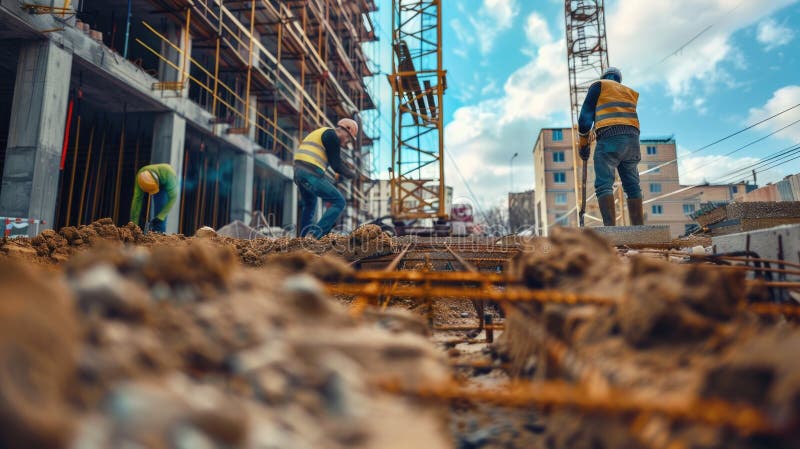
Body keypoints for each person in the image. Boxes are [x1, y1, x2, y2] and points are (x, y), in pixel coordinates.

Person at [577, 66, 644, 226]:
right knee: (632, 185)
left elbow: (584, 121)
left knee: (604, 184)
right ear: (619, 80)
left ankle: (611, 230)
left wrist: (584, 144)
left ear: (604, 77)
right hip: (633, 140)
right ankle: (640, 231)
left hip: (609, 137)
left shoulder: (599, 86)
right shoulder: (629, 92)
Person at [293, 118, 357, 238]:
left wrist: (341, 175)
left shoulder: (323, 133)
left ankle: (302, 239)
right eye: (348, 138)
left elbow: (331, 161)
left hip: (299, 172)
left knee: (310, 204)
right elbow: (336, 165)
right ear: (345, 130)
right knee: (339, 201)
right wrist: (352, 175)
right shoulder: (332, 135)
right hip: (310, 172)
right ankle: (314, 235)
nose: (347, 141)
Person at [129, 163, 179, 233]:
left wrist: (160, 217)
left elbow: (173, 198)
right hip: (156, 179)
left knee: (160, 211)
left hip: (165, 181)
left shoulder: (169, 175)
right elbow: (137, 201)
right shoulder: (139, 177)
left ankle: (158, 234)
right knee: (139, 203)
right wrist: (133, 225)